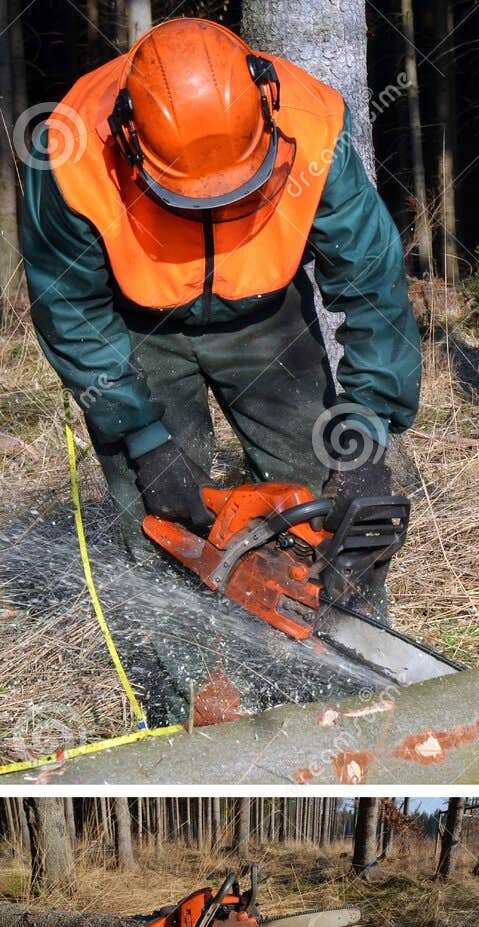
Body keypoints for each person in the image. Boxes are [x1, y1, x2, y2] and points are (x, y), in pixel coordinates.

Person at [20, 17, 420, 720]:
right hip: (134, 325)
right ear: (130, 135)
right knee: (161, 519)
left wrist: (368, 431)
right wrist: (141, 437)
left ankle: (351, 687)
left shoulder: (311, 121)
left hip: (267, 318)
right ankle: (197, 706)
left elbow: (372, 278)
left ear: (265, 107)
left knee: (323, 491)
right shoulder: (72, 148)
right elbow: (72, 309)